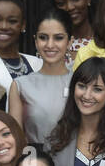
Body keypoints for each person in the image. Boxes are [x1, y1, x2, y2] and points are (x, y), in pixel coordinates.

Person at [9, 8, 74, 149]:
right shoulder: (20, 86)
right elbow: (16, 142)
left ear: (69, 42)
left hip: (75, 165)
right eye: (43, 37)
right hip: (35, 164)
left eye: (58, 38)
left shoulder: (81, 84)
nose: (50, 45)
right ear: (35, 41)